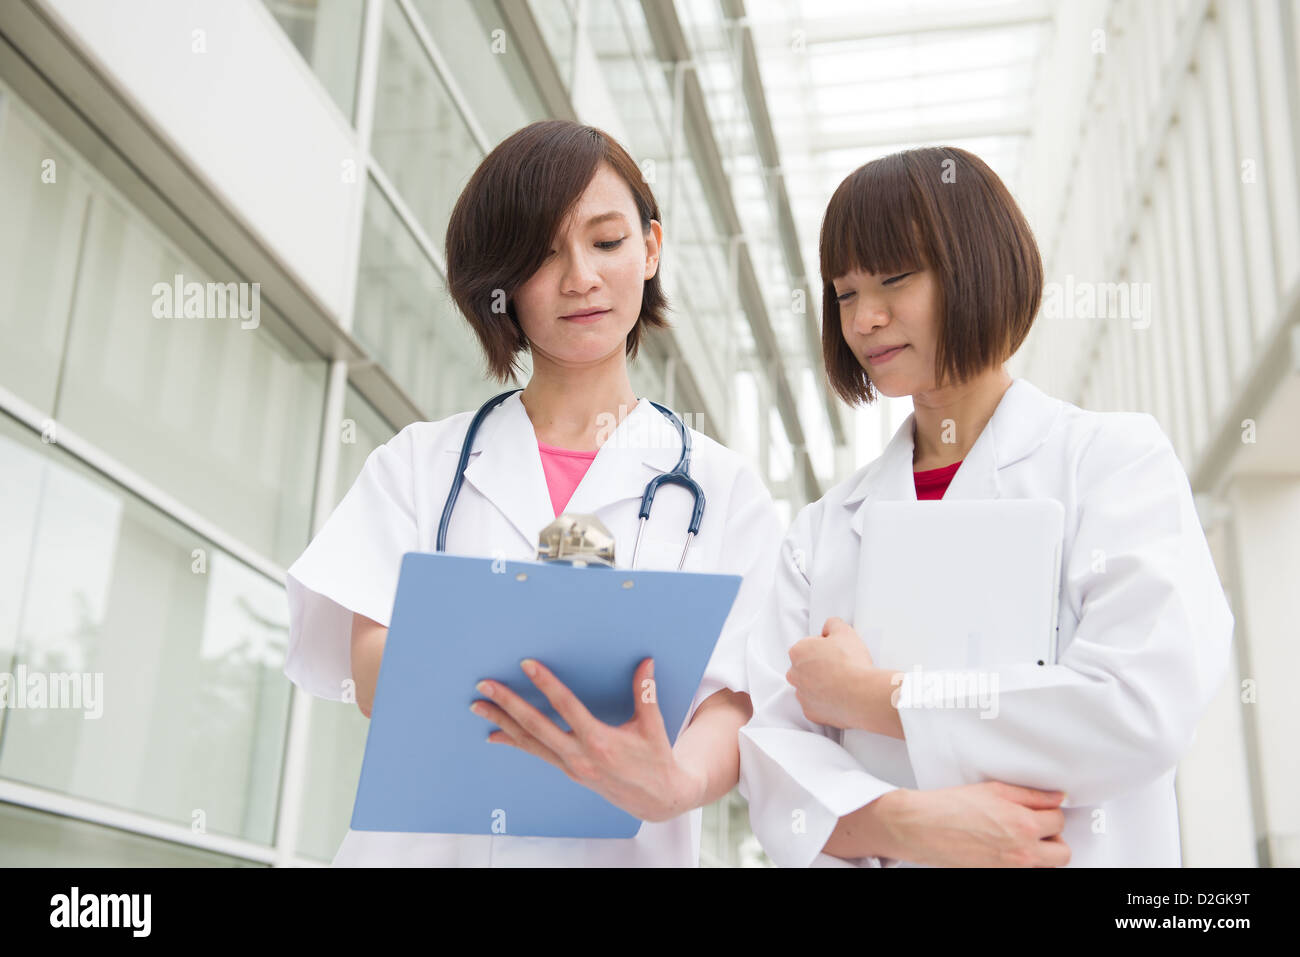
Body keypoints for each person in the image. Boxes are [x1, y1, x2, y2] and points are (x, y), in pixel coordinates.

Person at [284, 120, 783, 866]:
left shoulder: (724, 491)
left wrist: (676, 781)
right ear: (501, 286)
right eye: (543, 255)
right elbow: (373, 670)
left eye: (606, 242)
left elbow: (734, 699)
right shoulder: (422, 465)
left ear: (650, 249)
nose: (580, 277)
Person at [739, 146, 1234, 867]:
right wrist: (906, 824)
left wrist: (874, 696)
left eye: (894, 279)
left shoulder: (1113, 465)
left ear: (977, 266)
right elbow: (775, 770)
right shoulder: (822, 531)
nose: (865, 318)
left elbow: (1137, 709)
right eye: (844, 293)